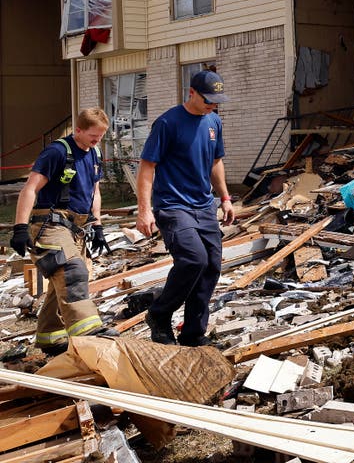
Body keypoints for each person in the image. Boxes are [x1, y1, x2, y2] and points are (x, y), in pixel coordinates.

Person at [136, 70, 236, 346]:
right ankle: (159, 314)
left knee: (211, 265)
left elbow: (216, 162)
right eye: (208, 100)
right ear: (191, 92)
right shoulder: (168, 123)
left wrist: (225, 198)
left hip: (204, 205)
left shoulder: (214, 120)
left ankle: (193, 333)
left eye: (217, 101)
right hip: (173, 205)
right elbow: (147, 167)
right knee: (194, 259)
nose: (213, 106)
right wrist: (144, 210)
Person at [9, 108, 120, 355]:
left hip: (76, 228)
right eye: (93, 136)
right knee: (72, 270)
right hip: (49, 224)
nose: (97, 141)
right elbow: (30, 188)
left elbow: (95, 191)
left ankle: (51, 337)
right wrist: (20, 227)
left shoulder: (95, 153)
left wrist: (98, 225)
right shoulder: (57, 152)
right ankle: (87, 331)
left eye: (101, 136)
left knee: (60, 282)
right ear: (78, 130)